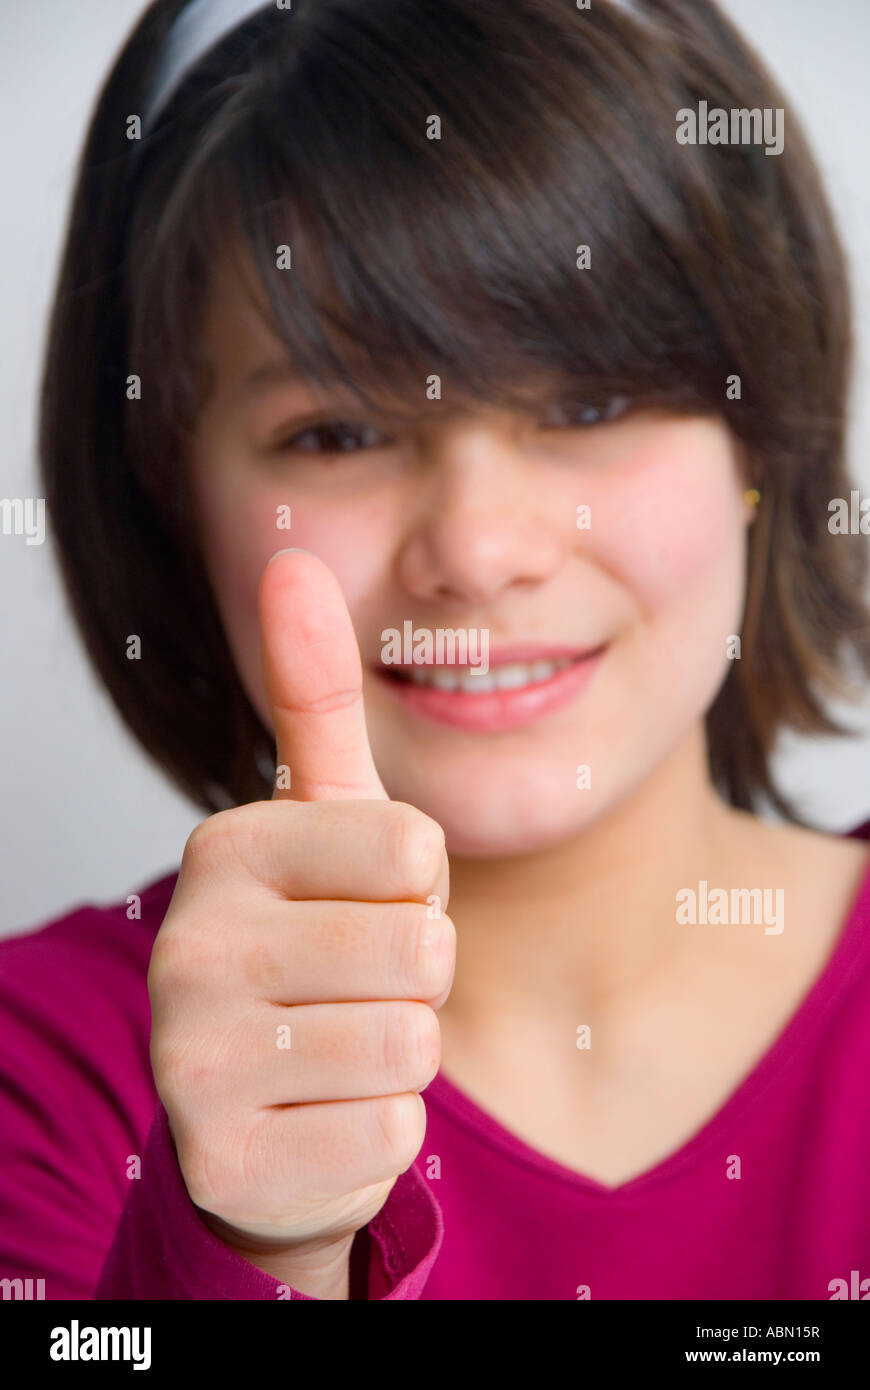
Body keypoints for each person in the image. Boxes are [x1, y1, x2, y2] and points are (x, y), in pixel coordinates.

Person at [2, 0, 870, 1301]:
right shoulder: (37, 1074)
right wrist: (256, 1250)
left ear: (762, 444)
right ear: (171, 502)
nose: (476, 548)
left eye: (589, 403)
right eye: (337, 434)